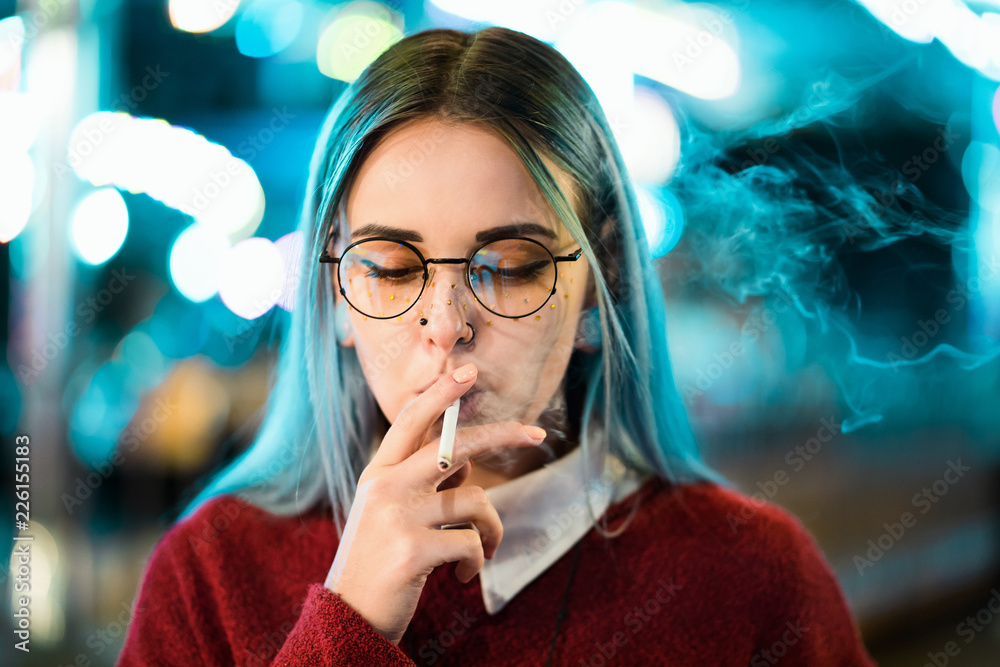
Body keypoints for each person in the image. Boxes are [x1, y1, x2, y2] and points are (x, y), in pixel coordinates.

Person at [118, 26, 876, 666]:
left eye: (509, 267)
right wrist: (346, 627)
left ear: (599, 285)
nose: (446, 322)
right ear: (333, 296)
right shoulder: (211, 574)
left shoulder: (755, 578)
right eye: (389, 268)